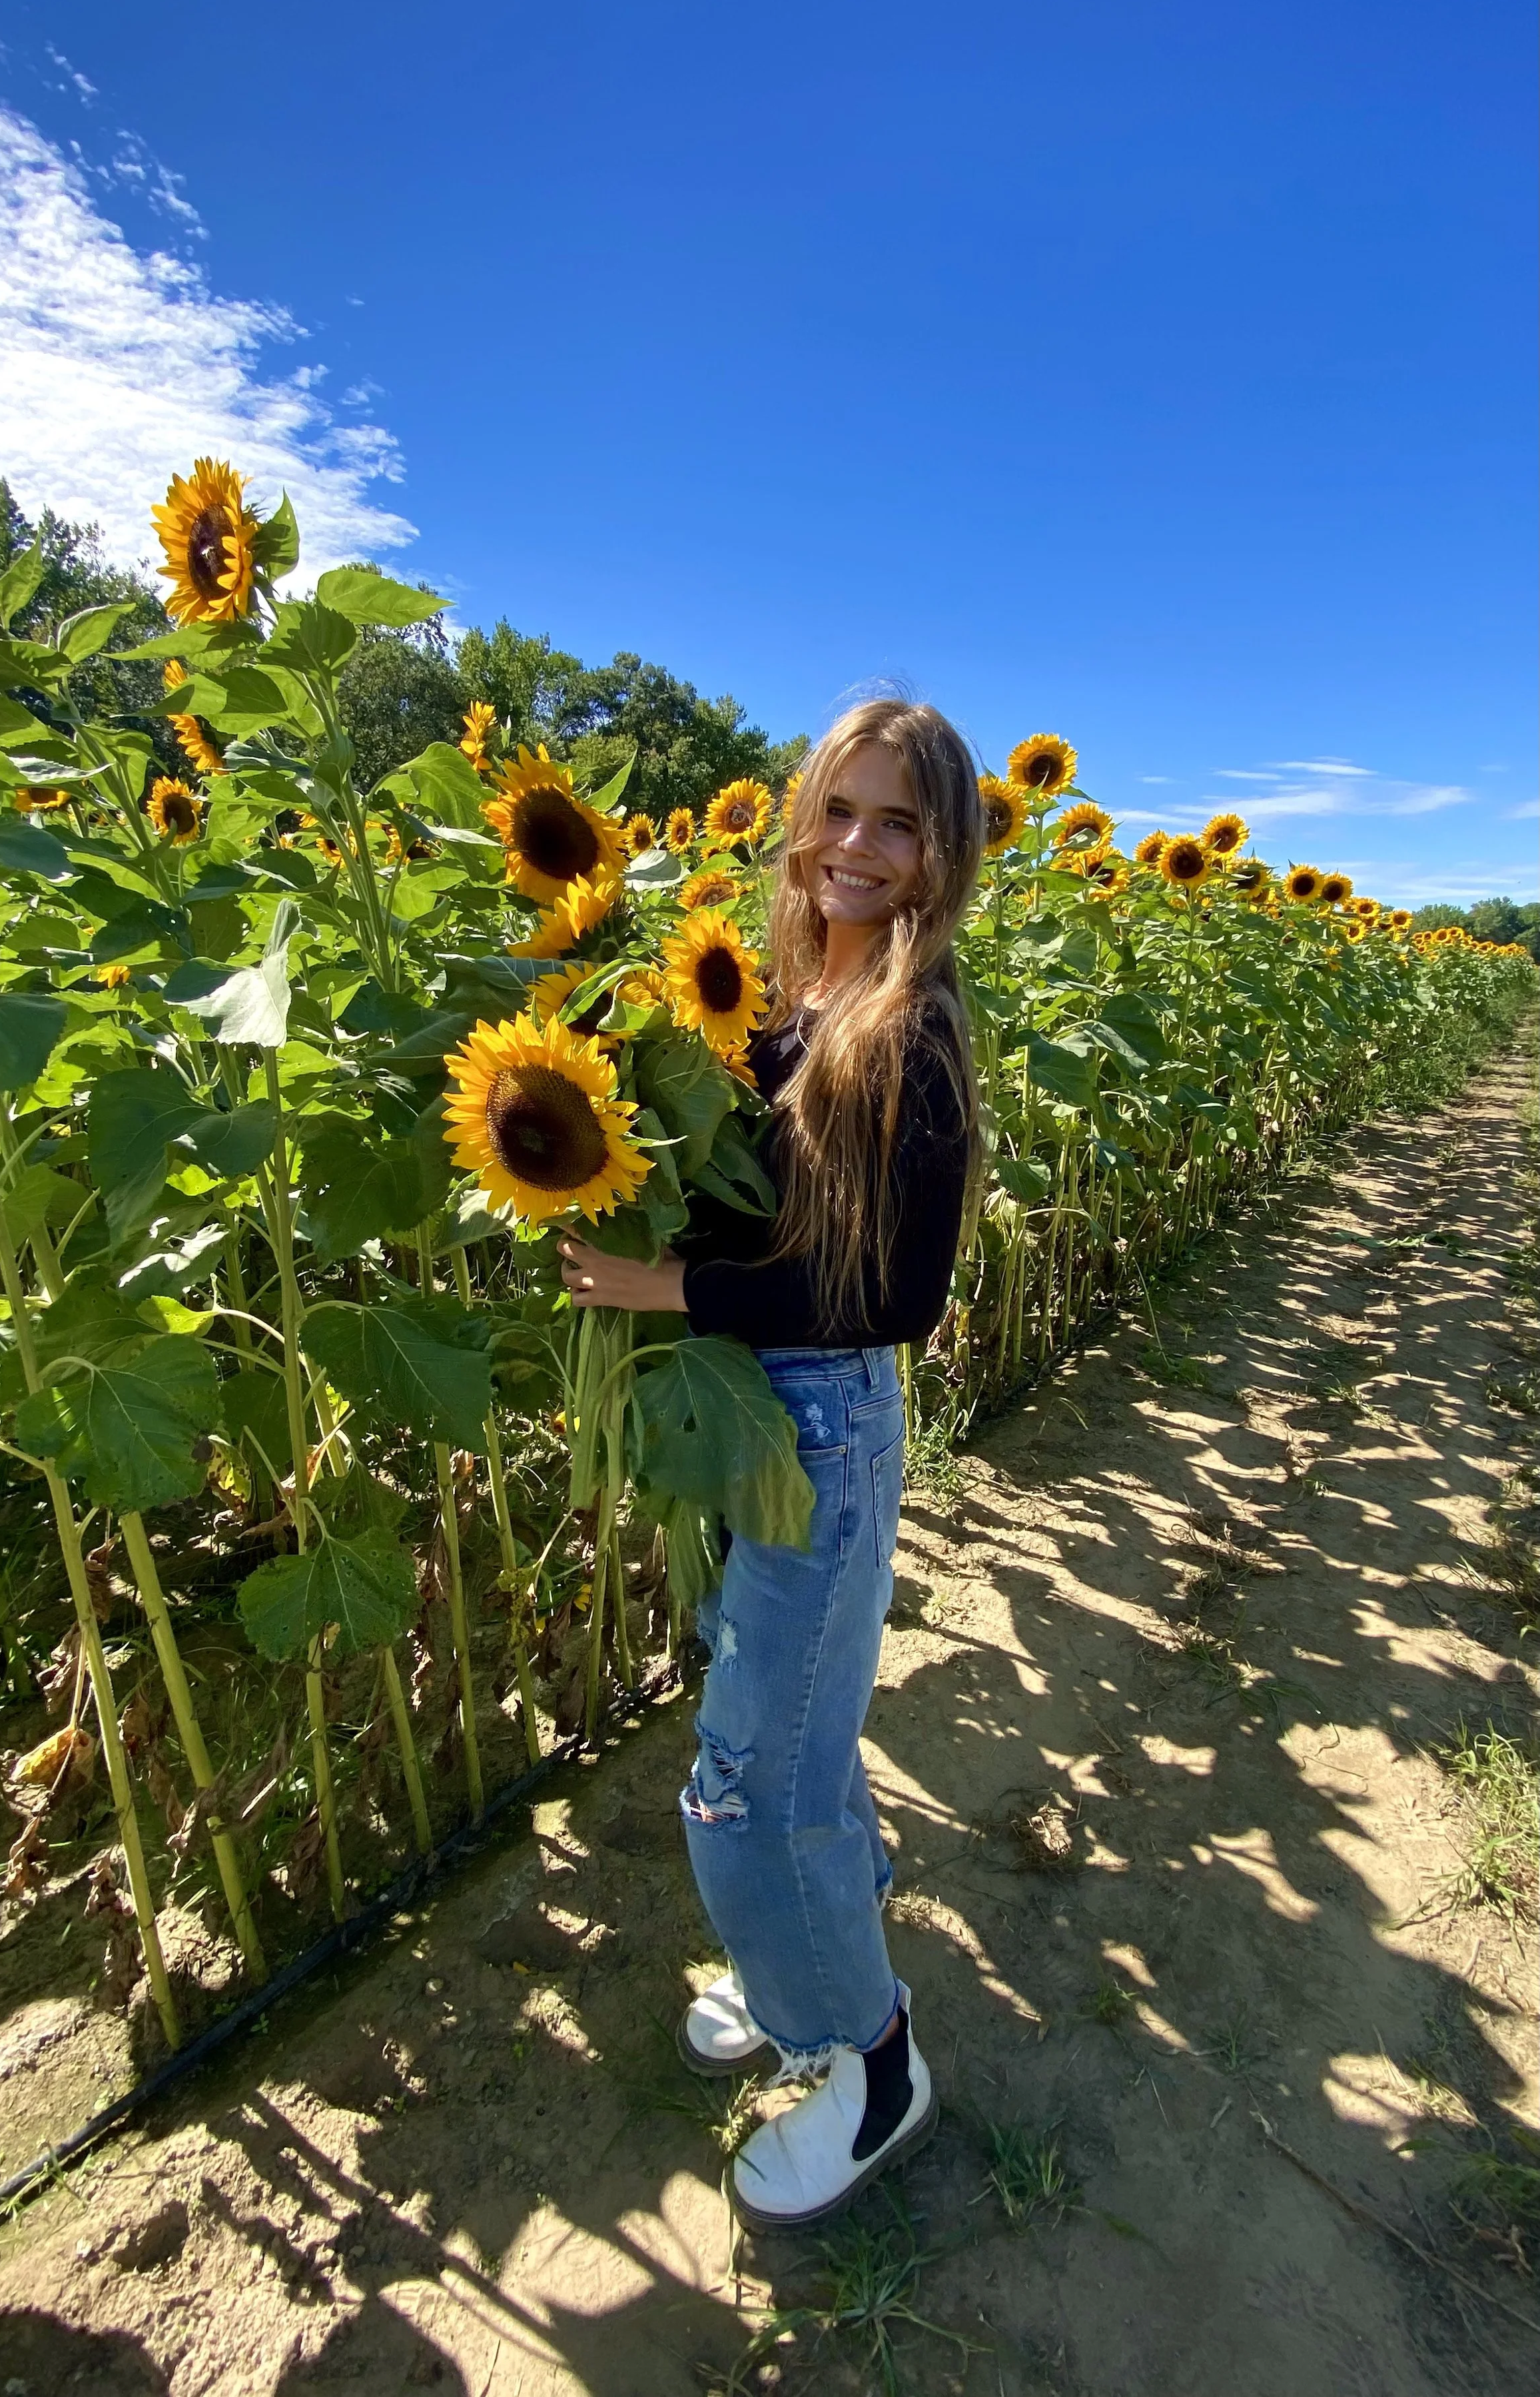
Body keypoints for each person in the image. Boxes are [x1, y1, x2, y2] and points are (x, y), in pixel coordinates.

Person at [559, 696, 982, 2228]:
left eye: (896, 821)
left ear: (943, 854)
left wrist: (665, 1289)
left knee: (747, 1778)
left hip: (820, 1414)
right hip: (749, 1402)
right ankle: (793, 1954)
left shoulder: (913, 1031)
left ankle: (870, 2062)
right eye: (838, 809)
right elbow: (732, 1188)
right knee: (796, 1720)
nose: (854, 845)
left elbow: (899, 1297)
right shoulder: (785, 1000)